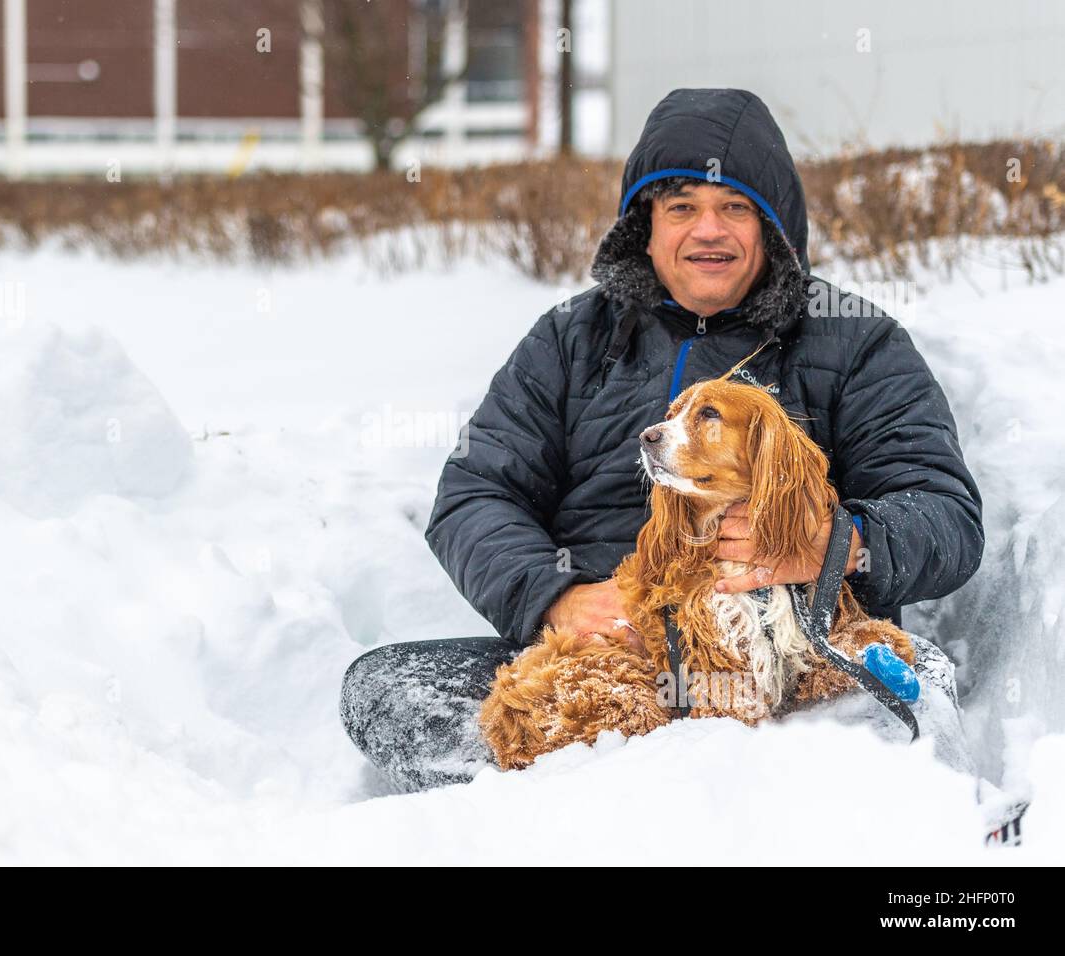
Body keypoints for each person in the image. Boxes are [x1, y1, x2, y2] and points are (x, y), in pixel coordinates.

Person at [339, 88, 985, 793]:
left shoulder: (857, 340)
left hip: (793, 662)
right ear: (643, 228)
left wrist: (838, 543)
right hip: (605, 660)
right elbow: (474, 492)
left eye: (735, 208)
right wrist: (557, 599)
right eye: (681, 208)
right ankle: (593, 798)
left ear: (773, 227)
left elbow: (944, 511)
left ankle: (743, 800)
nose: (708, 230)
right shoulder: (569, 341)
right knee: (386, 688)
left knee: (916, 677)